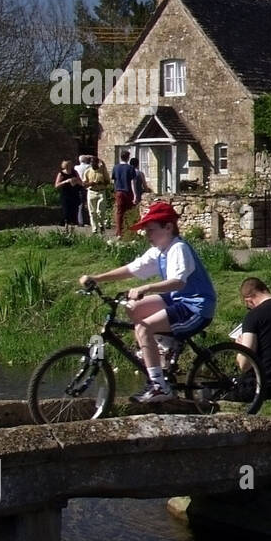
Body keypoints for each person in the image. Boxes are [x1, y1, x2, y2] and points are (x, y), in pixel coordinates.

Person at [78, 200, 217, 402]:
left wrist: (146, 287)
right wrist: (97, 278)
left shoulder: (178, 248)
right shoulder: (159, 250)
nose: (147, 235)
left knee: (143, 328)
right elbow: (131, 269)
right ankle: (163, 350)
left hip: (196, 306)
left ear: (168, 227)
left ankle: (160, 388)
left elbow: (178, 282)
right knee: (134, 309)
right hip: (178, 300)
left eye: (150, 230)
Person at [111, 151, 136, 237]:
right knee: (129, 212)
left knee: (119, 212)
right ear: (128, 158)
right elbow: (132, 182)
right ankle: (128, 231)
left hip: (119, 191)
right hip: (128, 192)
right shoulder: (130, 168)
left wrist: (115, 190)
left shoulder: (115, 167)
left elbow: (114, 180)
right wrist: (135, 194)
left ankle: (119, 232)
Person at [54, 160, 83, 231]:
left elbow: (81, 183)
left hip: (74, 194)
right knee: (66, 212)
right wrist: (65, 181)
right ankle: (66, 227)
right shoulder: (61, 174)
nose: (68, 168)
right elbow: (56, 185)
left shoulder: (75, 172)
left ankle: (72, 229)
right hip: (66, 195)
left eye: (69, 166)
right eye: (67, 166)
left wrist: (76, 181)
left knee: (74, 212)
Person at [83, 157, 110, 233]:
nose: (92, 163)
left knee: (100, 211)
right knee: (92, 212)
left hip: (101, 192)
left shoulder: (102, 170)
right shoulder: (87, 171)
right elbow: (84, 184)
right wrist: (91, 183)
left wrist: (102, 183)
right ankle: (94, 229)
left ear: (97, 163)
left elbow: (108, 181)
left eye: (94, 162)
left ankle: (101, 224)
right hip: (91, 192)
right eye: (91, 162)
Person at [74, 155, 92, 228]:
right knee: (89, 204)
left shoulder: (76, 167)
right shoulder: (89, 167)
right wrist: (90, 157)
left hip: (78, 186)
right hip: (87, 186)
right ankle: (88, 221)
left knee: (80, 204)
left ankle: (80, 221)